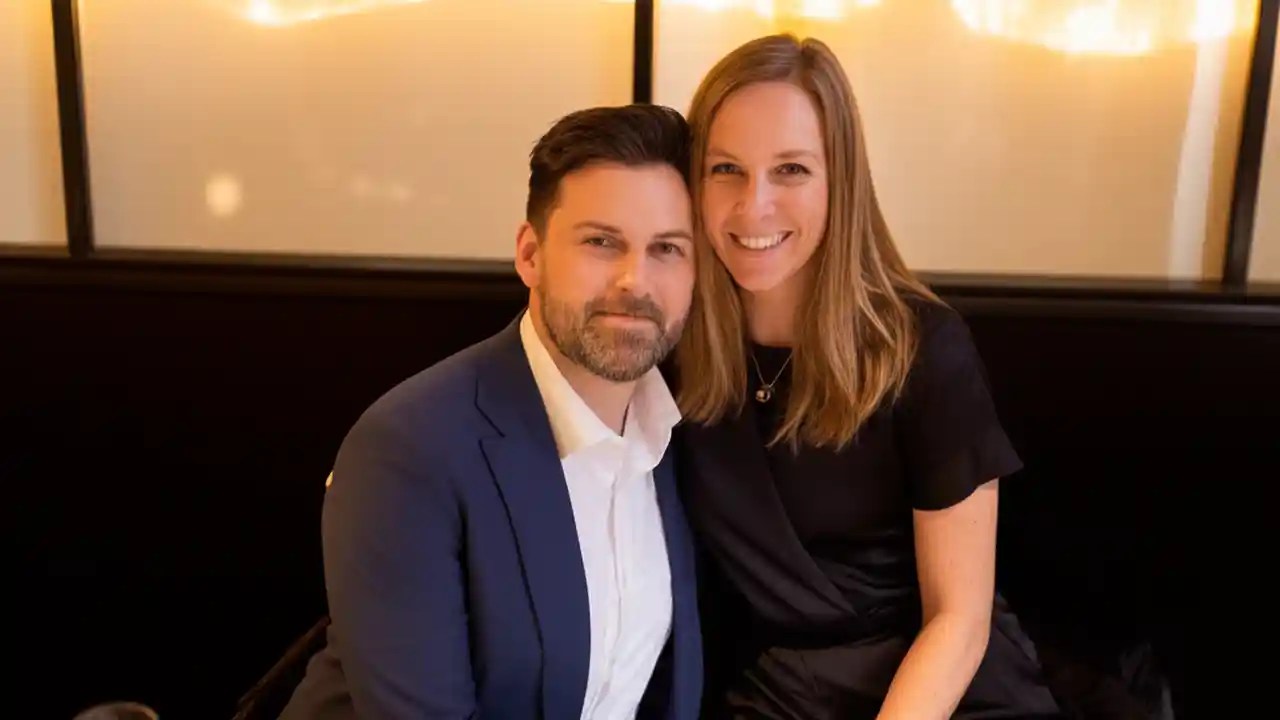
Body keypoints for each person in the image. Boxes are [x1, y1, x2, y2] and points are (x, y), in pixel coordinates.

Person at [672, 34, 1062, 719]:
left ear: (839, 180)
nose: (752, 205)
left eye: (790, 170)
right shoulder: (672, 342)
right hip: (777, 692)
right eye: (726, 168)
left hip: (940, 686)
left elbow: (959, 619)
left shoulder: (923, 348)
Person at [281, 104, 703, 719]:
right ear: (530, 253)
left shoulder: (683, 436)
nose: (634, 280)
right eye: (601, 242)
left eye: (667, 248)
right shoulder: (409, 448)